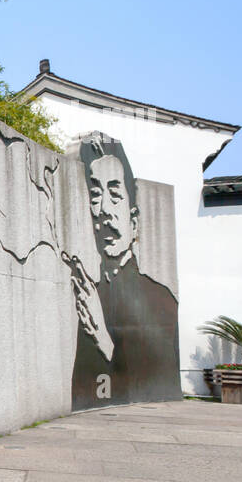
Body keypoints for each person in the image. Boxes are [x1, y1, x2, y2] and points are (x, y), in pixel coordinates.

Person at [67, 133, 180, 409]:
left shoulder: (160, 298)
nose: (104, 209)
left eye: (115, 195)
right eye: (95, 196)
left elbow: (157, 374)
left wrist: (102, 338)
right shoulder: (91, 293)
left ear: (134, 220)